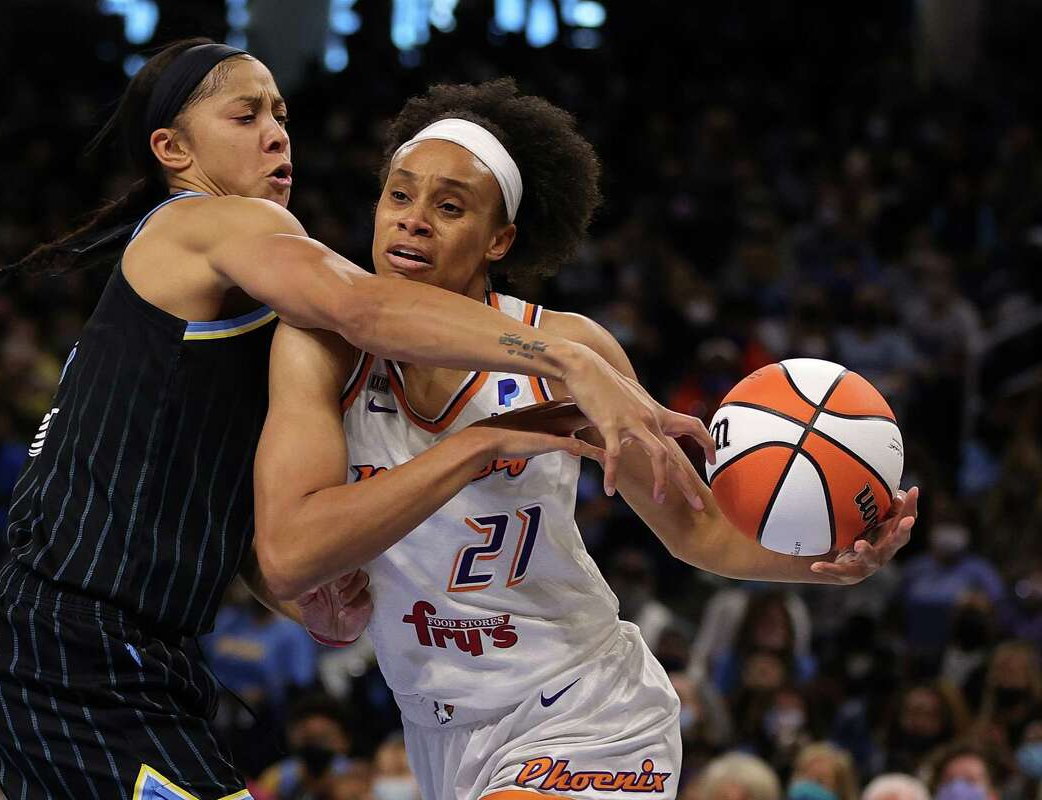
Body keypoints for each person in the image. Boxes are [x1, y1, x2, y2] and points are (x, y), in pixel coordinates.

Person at [0, 39, 709, 799]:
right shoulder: (203, 224)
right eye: (245, 115)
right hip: (66, 645)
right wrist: (568, 361)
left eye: (281, 113)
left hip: (138, 653)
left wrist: (305, 595)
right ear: (172, 150)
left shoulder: (261, 302)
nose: (278, 133)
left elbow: (227, 514)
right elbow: (364, 307)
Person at [252, 79, 919, 799]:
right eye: (400, 195)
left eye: (450, 207)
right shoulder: (321, 348)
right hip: (437, 732)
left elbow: (695, 529)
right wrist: (308, 602)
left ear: (500, 239)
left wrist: (829, 559)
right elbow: (282, 555)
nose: (414, 221)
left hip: (588, 711)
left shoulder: (568, 349)